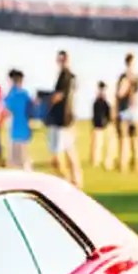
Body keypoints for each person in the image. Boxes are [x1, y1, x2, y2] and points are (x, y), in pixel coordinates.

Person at [46, 50, 83, 188]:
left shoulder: (65, 76)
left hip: (61, 120)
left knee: (57, 154)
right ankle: (76, 179)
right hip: (68, 118)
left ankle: (66, 180)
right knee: (69, 150)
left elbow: (59, 96)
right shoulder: (72, 76)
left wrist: (46, 102)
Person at [0, 69, 34, 171]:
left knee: (16, 163)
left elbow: (4, 111)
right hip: (25, 132)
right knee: (23, 160)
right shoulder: (25, 94)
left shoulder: (13, 95)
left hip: (15, 133)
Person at [116, 53, 138, 172]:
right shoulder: (123, 77)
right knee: (124, 137)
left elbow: (135, 93)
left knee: (134, 137)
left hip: (132, 110)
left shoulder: (136, 77)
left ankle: (135, 162)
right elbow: (119, 94)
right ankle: (123, 163)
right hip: (125, 110)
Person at [90, 82, 113, 169]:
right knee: (97, 145)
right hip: (98, 125)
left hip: (106, 125)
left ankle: (107, 162)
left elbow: (109, 113)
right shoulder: (97, 102)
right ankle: (96, 161)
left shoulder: (106, 102)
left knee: (107, 145)